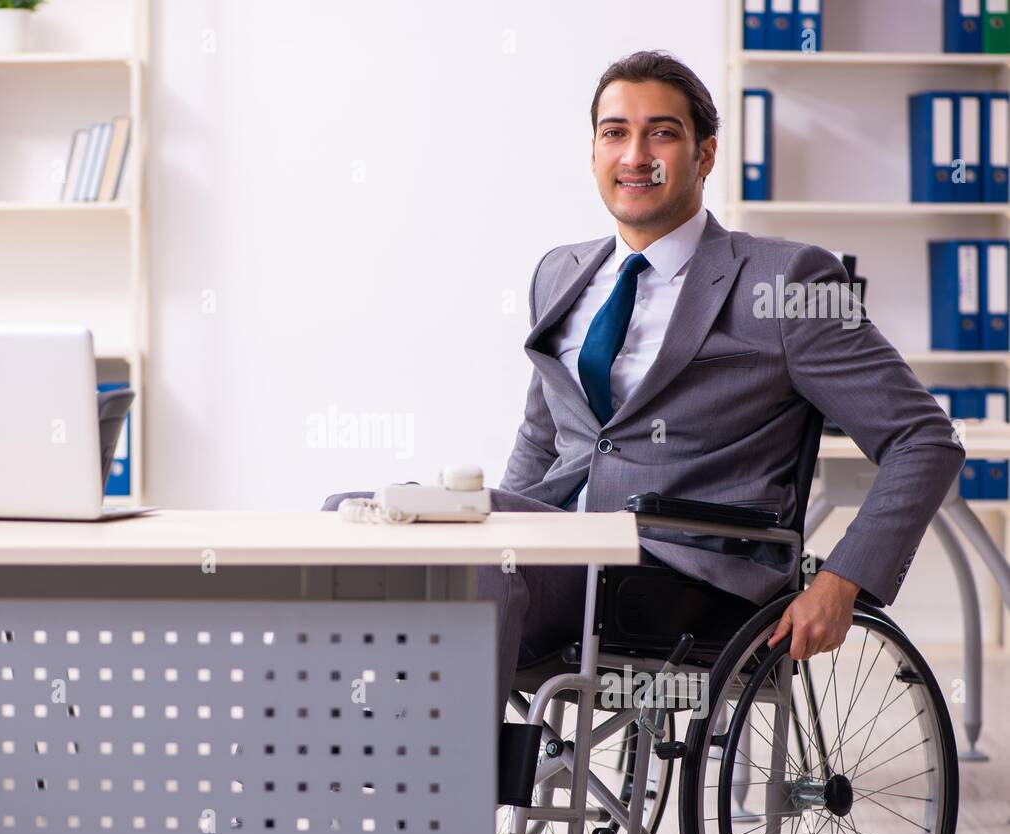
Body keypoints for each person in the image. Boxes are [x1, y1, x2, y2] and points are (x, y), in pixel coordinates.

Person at [325, 50, 965, 720]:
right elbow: (542, 440)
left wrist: (842, 579)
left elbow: (923, 438)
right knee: (347, 518)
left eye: (661, 132)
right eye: (614, 132)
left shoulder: (786, 283)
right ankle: (342, 767)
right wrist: (495, 511)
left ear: (705, 153)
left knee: (488, 558)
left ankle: (445, 794)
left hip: (681, 577)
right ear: (595, 151)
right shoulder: (560, 272)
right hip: (560, 560)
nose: (635, 154)